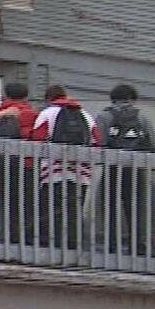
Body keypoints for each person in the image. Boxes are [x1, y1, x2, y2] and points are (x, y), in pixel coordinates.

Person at [29, 85, 101, 250]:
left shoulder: (47, 113)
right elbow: (96, 143)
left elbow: (37, 140)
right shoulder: (85, 115)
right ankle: (73, 245)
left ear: (48, 99)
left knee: (52, 206)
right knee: (75, 207)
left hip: (53, 170)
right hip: (81, 172)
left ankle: (50, 244)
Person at [95, 83, 155, 255]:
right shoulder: (142, 117)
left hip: (112, 168)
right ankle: (137, 246)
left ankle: (111, 245)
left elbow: (99, 142)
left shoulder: (104, 116)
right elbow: (151, 144)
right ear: (132, 98)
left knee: (110, 206)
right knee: (135, 208)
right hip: (135, 169)